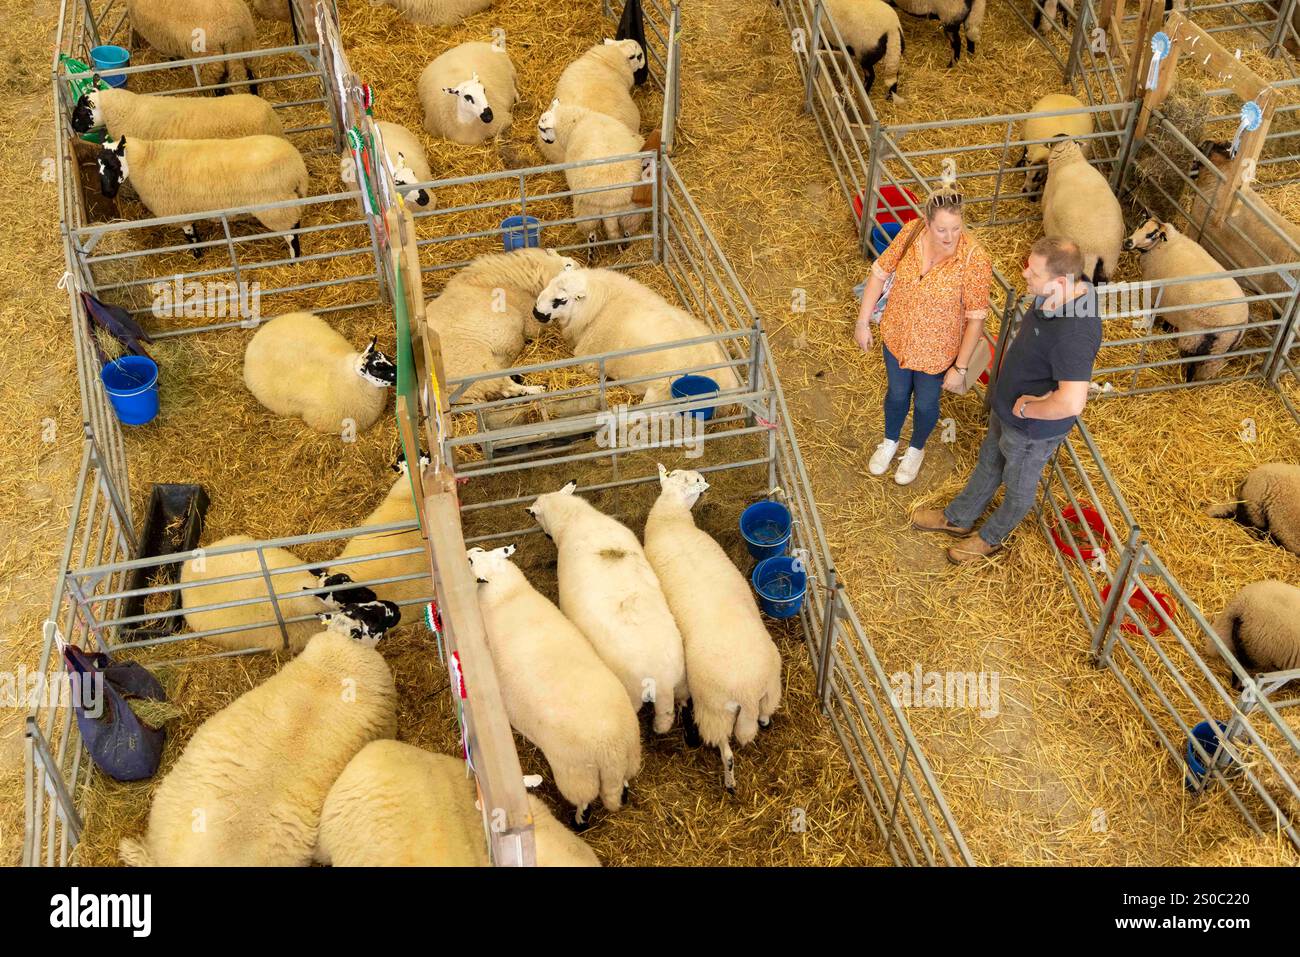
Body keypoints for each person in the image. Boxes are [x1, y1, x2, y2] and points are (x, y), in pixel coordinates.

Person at [911, 236, 1103, 564]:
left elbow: (1072, 402)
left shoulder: (1076, 332)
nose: (1026, 273)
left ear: (1060, 282)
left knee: (1018, 486)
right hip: (1008, 407)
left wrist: (1029, 407)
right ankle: (959, 518)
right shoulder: (1060, 291)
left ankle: (991, 537)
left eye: (1034, 272)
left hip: (1030, 429)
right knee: (989, 462)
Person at [854, 180, 993, 485]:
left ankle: (915, 449)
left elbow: (975, 320)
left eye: (956, 229)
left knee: (927, 404)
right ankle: (890, 441)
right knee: (897, 394)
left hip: (937, 351)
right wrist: (863, 322)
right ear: (928, 222)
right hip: (897, 337)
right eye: (942, 229)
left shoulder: (974, 259)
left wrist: (960, 367)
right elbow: (879, 273)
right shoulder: (912, 232)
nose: (950, 237)